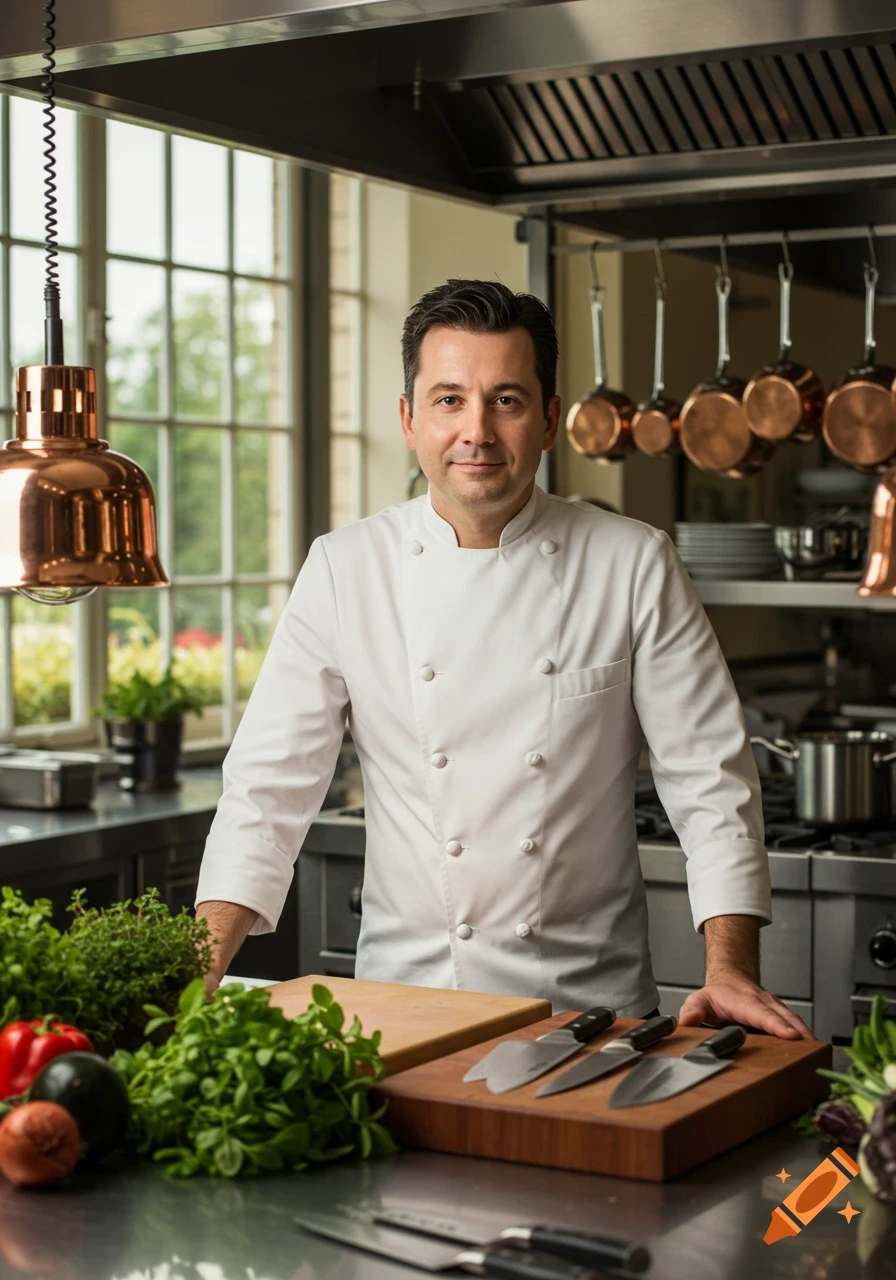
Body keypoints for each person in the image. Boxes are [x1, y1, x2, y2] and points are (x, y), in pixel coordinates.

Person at [196, 279, 813, 1040]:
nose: (477, 432)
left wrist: (730, 969)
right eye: (449, 400)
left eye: (507, 400)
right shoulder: (344, 567)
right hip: (403, 1005)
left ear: (550, 420)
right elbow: (268, 785)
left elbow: (710, 782)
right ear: (408, 419)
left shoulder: (632, 562)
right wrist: (199, 971)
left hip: (591, 1012)